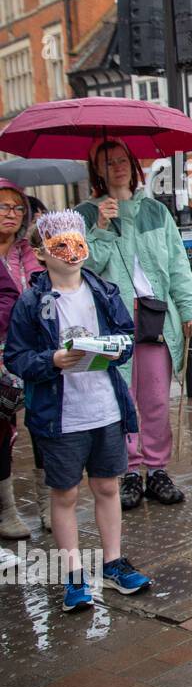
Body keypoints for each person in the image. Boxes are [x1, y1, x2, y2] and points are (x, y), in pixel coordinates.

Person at [4, 211, 152, 613]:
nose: (71, 253)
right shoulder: (32, 303)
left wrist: (114, 348)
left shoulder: (103, 291)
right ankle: (72, 575)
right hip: (60, 417)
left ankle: (113, 562)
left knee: (107, 486)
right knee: (65, 493)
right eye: (59, 246)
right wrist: (50, 360)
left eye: (77, 243)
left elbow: (126, 336)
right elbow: (17, 356)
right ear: (40, 252)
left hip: (105, 409)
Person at [75, 139, 192, 511]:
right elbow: (83, 268)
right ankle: (129, 470)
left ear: (133, 166)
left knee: (156, 398)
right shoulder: (85, 214)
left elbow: (178, 264)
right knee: (121, 399)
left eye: (122, 160)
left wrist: (190, 307)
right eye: (108, 162)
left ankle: (157, 468)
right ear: (97, 170)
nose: (117, 167)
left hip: (156, 315)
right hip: (112, 319)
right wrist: (98, 228)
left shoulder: (155, 212)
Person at [0, 180, 45, 541]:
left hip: (32, 348)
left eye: (17, 208)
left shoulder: (28, 252)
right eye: (3, 207)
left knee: (43, 420)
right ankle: (7, 510)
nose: (11, 214)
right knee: (3, 430)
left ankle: (49, 502)